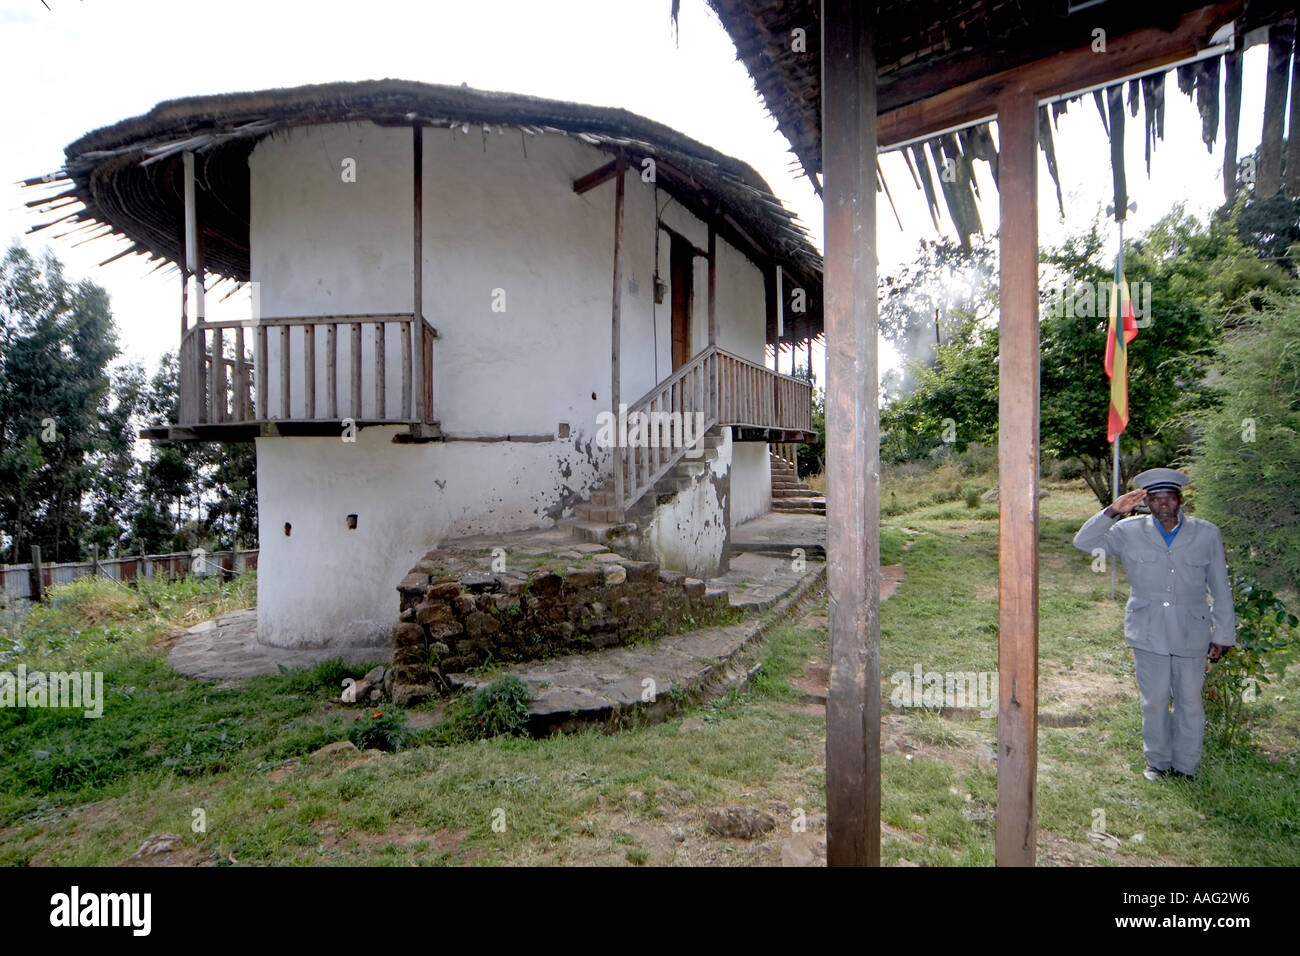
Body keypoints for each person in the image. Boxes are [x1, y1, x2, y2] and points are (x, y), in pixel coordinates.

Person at [1072, 468, 1235, 782]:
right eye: (1155, 499)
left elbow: (1220, 586)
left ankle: (1186, 767)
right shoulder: (1128, 531)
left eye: (1169, 498)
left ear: (1180, 500)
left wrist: (1223, 634)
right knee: (1155, 701)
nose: (1162, 505)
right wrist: (1112, 511)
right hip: (1148, 631)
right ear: (1146, 502)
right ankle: (1158, 763)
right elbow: (1084, 542)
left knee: (1190, 702)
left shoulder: (1206, 533)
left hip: (1192, 631)